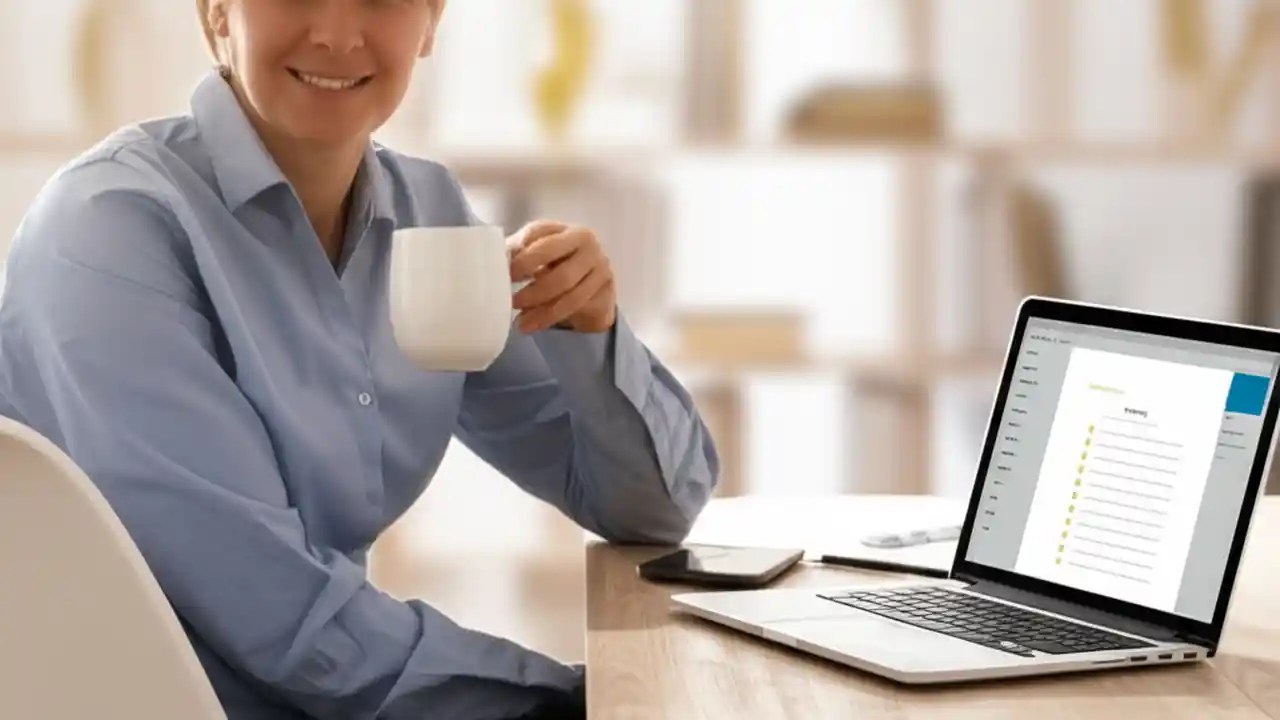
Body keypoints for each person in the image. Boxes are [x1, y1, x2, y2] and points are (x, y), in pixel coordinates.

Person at [0, 1, 719, 718]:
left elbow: (653, 508)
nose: (337, 34)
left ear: (431, 21)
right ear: (216, 11)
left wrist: (590, 330)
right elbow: (273, 609)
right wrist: (573, 699)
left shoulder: (429, 220)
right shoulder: (108, 230)